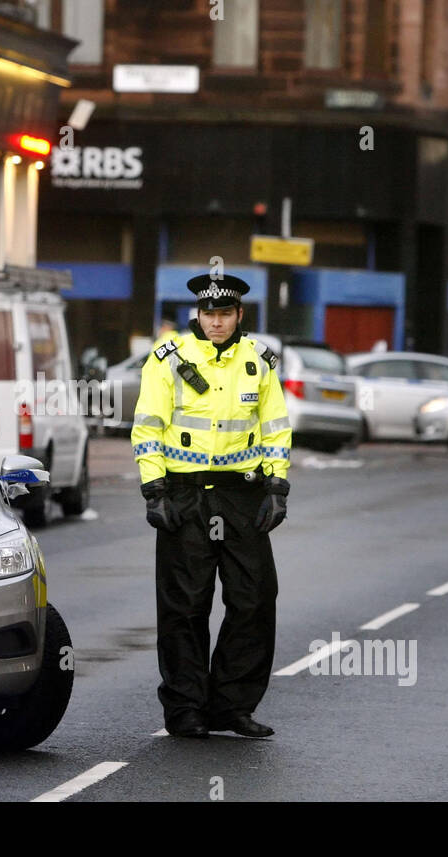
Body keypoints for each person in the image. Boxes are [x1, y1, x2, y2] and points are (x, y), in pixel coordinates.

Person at [131, 273, 292, 738]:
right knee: (185, 606)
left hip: (242, 495)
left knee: (254, 599)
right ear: (196, 315)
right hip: (184, 494)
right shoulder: (169, 359)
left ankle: (232, 707)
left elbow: (275, 426)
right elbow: (148, 426)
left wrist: (277, 487)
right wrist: (154, 491)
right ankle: (186, 709)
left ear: (239, 315)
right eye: (209, 314)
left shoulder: (259, 361)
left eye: (225, 314)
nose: (216, 322)